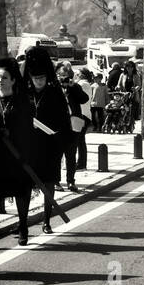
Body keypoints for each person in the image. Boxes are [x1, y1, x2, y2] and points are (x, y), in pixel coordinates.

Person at [0, 58, 35, 249]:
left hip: (17, 156)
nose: (0, 81)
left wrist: (13, 134)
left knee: (21, 193)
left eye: (4, 77)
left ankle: (23, 228)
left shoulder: (23, 103)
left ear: (13, 80)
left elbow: (29, 130)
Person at [26, 48, 71, 233]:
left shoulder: (55, 93)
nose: (39, 81)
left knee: (49, 183)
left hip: (50, 145)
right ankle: (24, 222)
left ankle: (46, 221)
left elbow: (63, 119)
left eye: (42, 78)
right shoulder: (25, 93)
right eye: (35, 78)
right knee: (26, 185)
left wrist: (58, 137)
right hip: (29, 145)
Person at [57, 62, 89, 193]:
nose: (62, 78)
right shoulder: (53, 88)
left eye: (64, 75)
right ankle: (56, 182)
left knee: (71, 155)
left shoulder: (74, 87)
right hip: (58, 126)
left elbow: (84, 99)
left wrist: (73, 87)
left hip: (73, 125)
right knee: (57, 156)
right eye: (59, 75)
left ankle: (71, 181)